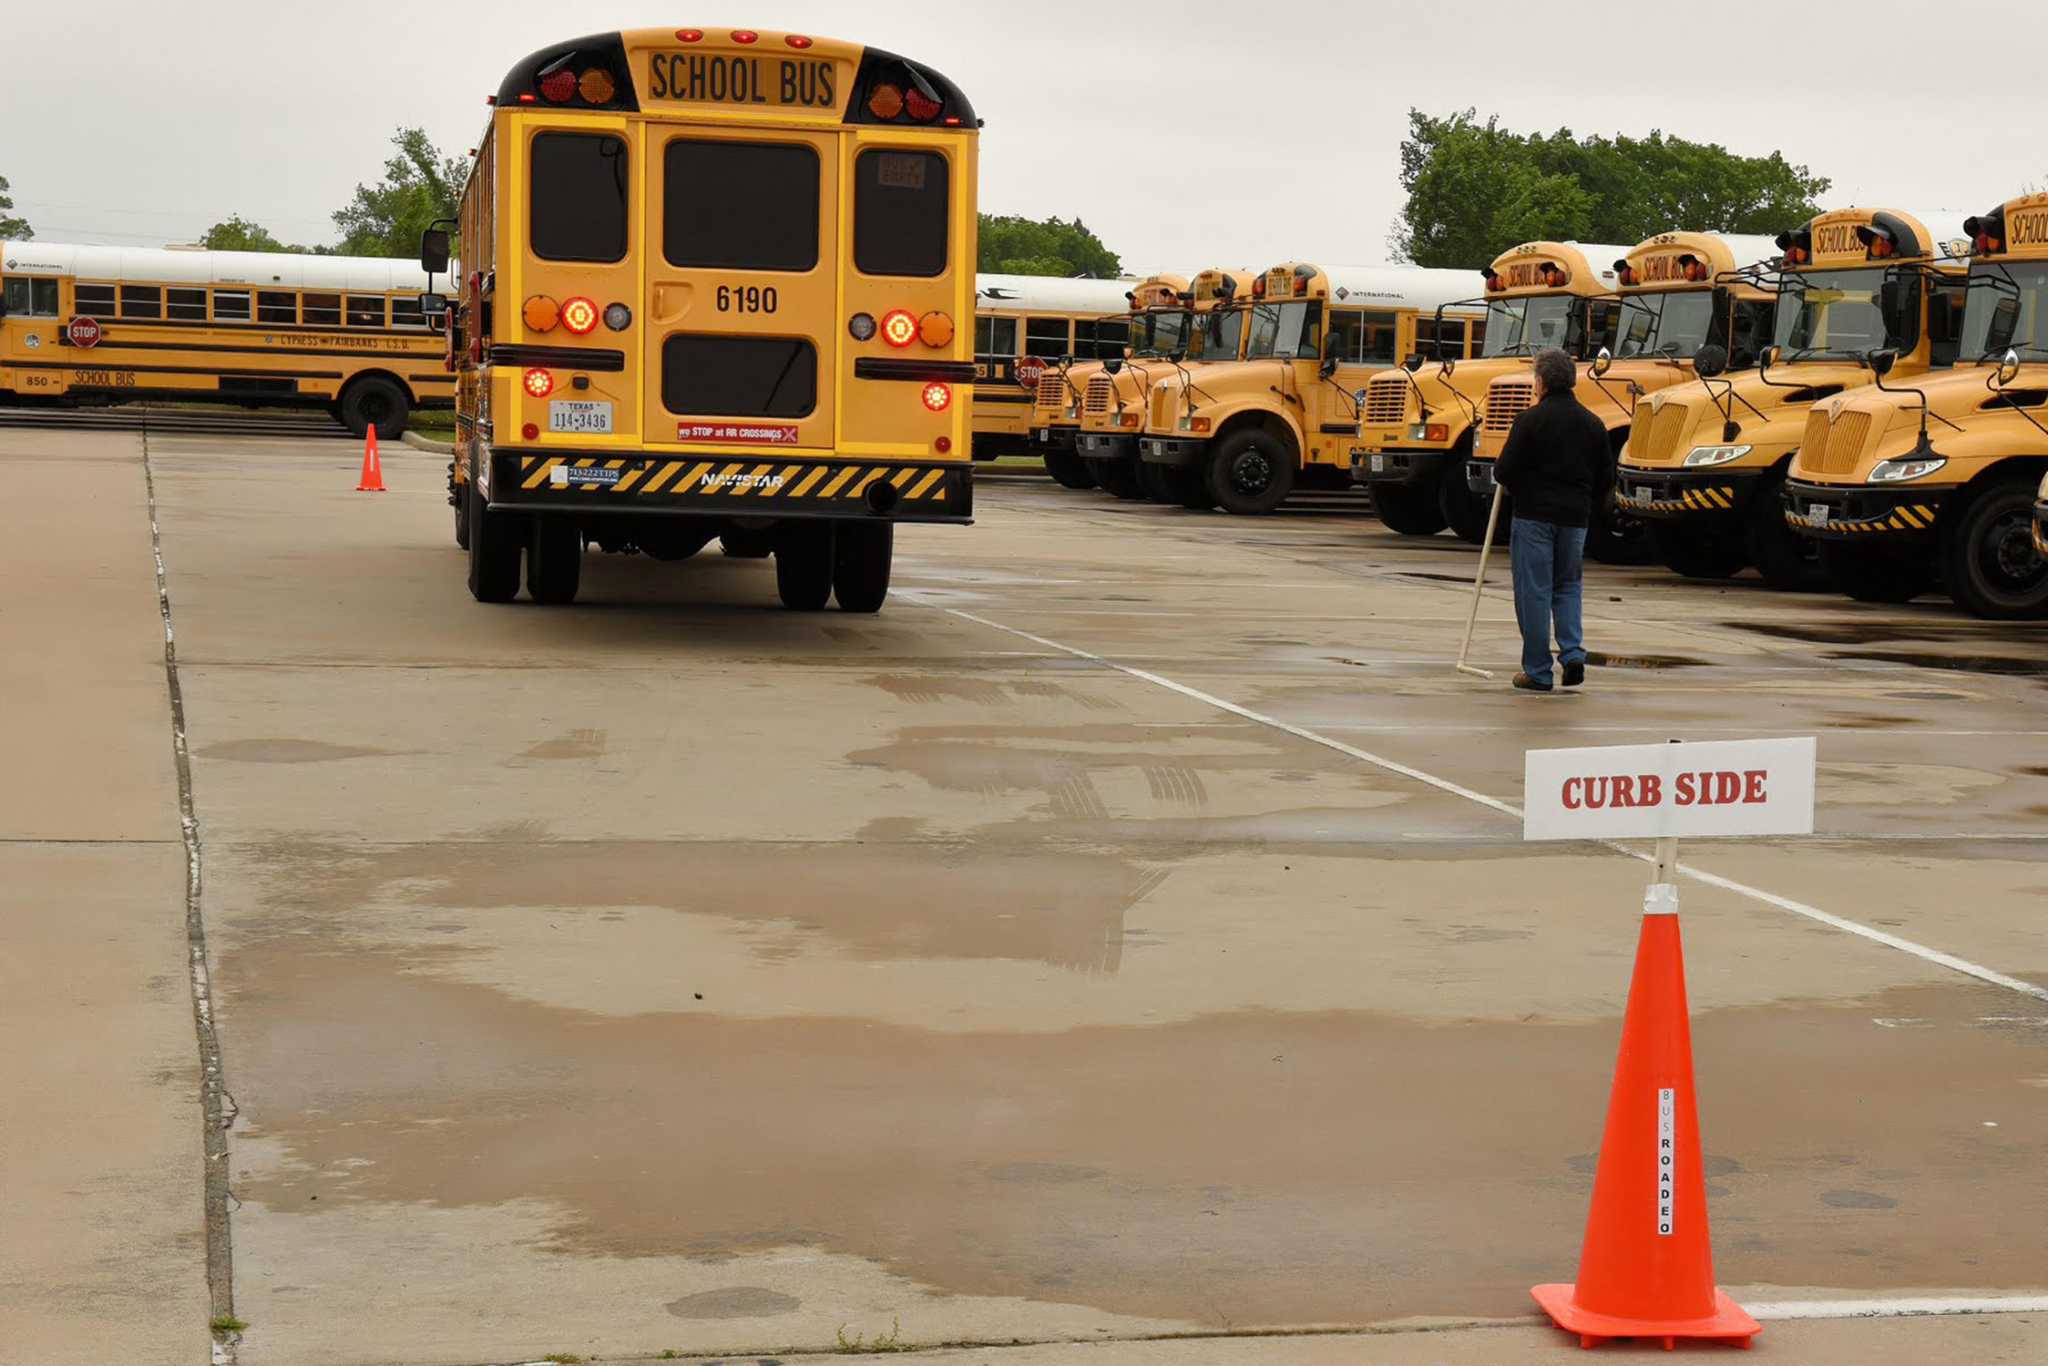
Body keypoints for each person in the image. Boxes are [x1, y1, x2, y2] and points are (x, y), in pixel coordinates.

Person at [1492, 346, 1610, 692]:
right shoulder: (1593, 423)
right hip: (1574, 519)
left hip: (1534, 516)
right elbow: (1605, 478)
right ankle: (1572, 653)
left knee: (1534, 592)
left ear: (1540, 381)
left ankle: (1538, 670)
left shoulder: (1529, 420)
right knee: (1568, 586)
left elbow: (1504, 470)